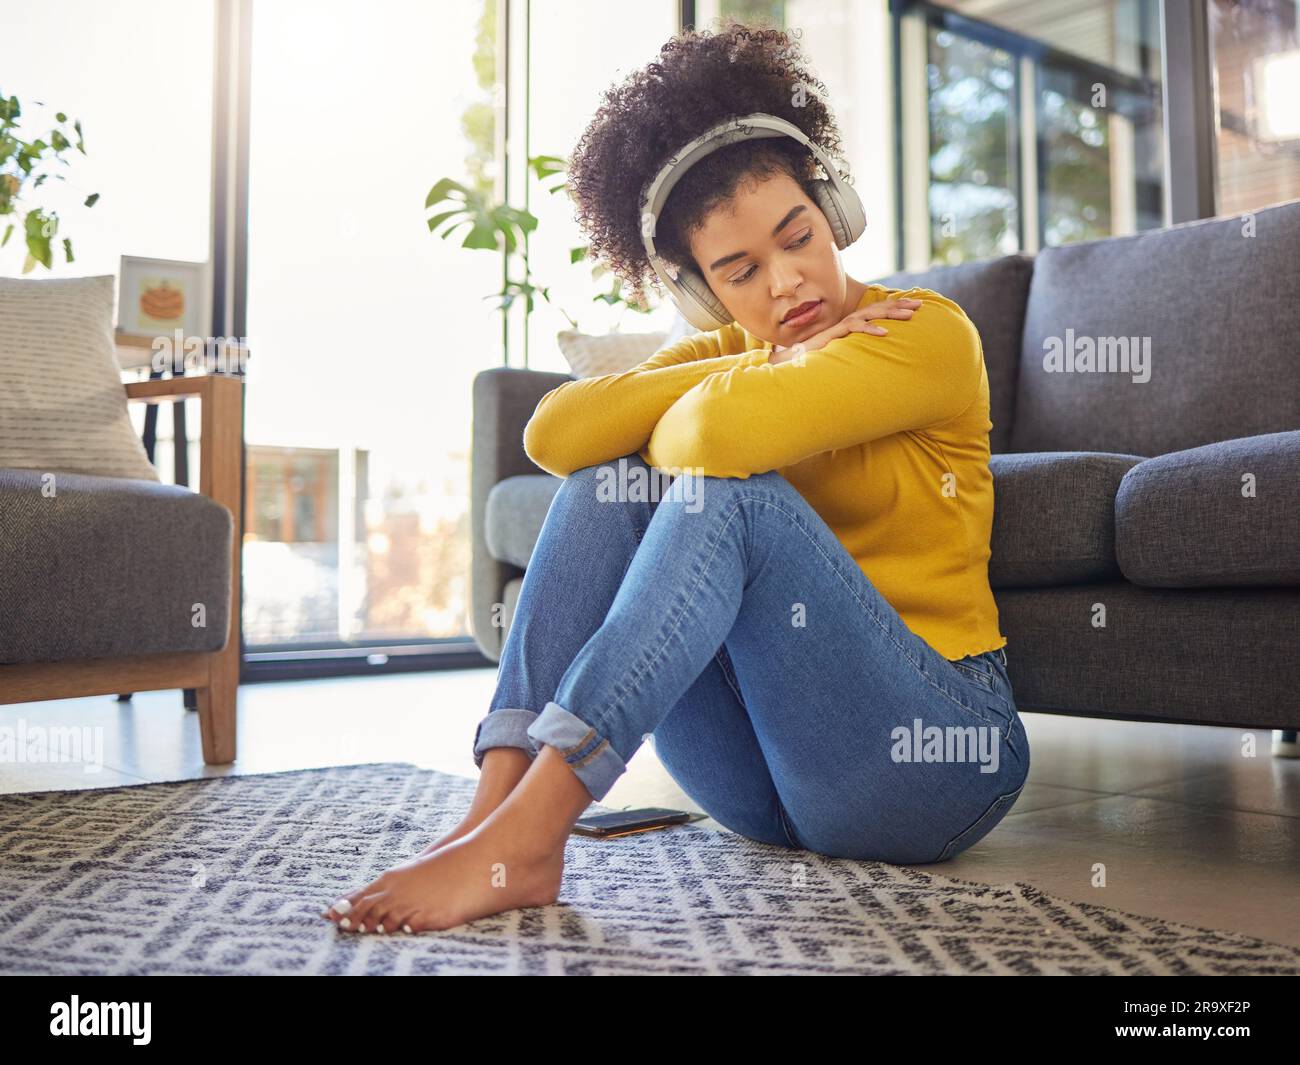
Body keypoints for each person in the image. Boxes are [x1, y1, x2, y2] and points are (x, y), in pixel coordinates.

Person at [323, 21, 1028, 936]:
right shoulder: (738, 348)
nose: (787, 284)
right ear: (702, 292)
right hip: (764, 788)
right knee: (604, 484)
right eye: (740, 271)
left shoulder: (919, 332)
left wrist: (731, 380)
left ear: (834, 213)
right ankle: (492, 813)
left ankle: (536, 833)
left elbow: (713, 435)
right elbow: (558, 433)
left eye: (798, 236)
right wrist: (751, 361)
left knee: (722, 494)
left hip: (931, 763)